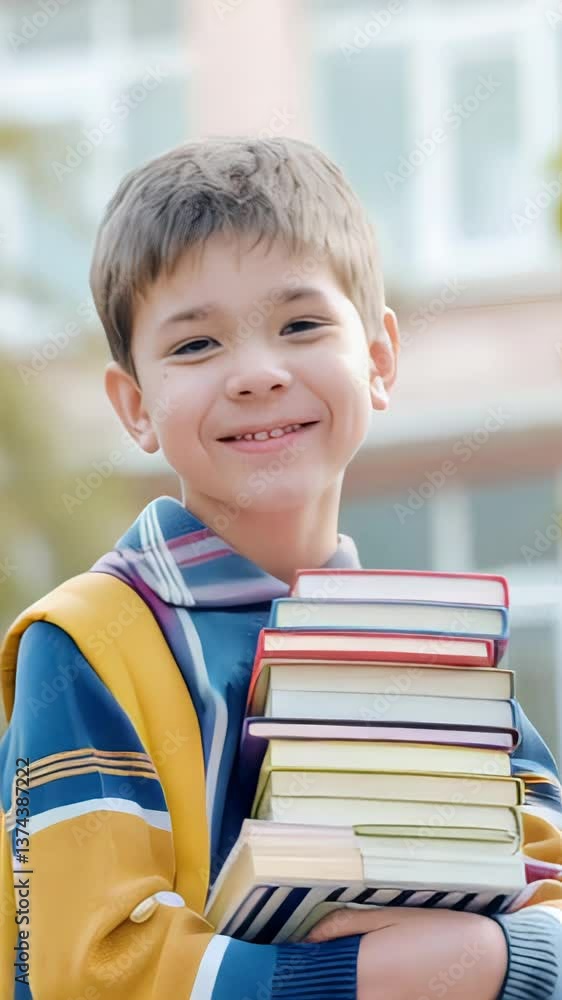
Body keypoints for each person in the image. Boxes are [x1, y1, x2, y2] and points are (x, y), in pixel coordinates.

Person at [1, 136, 562, 1000]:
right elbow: (89, 966)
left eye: (301, 325)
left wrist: (505, 959)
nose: (257, 374)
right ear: (135, 405)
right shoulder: (90, 647)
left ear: (378, 361)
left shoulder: (435, 655)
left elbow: (549, 885)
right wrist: (379, 973)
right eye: (195, 346)